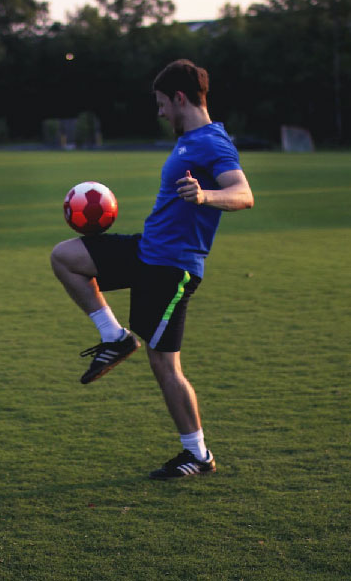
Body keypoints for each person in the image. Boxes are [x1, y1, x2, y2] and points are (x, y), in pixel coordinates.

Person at [50, 59, 254, 479]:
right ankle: (114, 337)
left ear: (180, 98)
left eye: (162, 103)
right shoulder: (188, 141)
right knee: (65, 257)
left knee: (165, 366)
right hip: (147, 251)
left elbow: (243, 194)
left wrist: (205, 197)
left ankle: (197, 455)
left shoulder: (213, 143)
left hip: (171, 268)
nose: (160, 112)